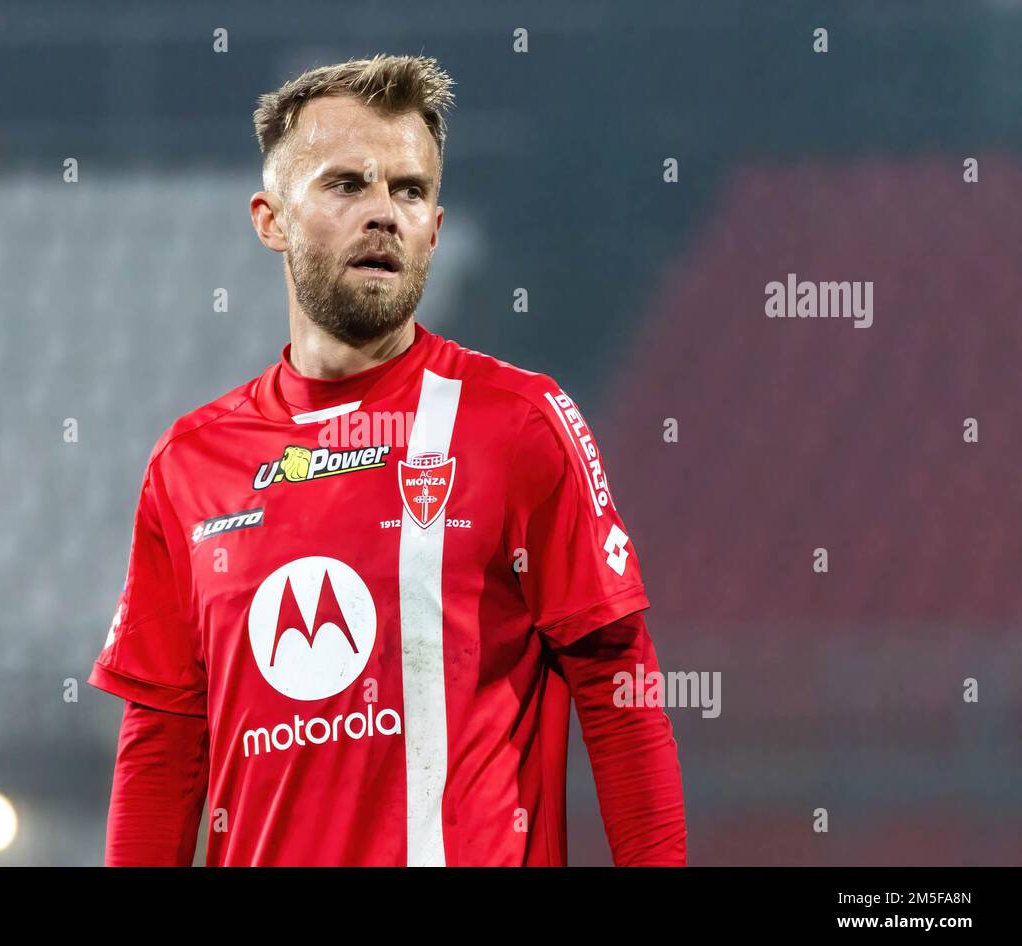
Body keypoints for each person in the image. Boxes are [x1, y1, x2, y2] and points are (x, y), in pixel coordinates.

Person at [90, 53, 686, 866]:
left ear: (434, 230)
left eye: (409, 191)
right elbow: (161, 747)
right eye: (346, 185)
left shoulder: (518, 424)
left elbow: (622, 696)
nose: (385, 214)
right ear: (271, 220)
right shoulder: (190, 464)